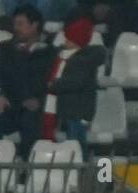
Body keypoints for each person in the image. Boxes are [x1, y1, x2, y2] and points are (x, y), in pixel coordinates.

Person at [0, 4, 55, 157]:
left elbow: (52, 84)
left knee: (31, 121)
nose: (16, 28)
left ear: (34, 25)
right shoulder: (4, 49)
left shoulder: (49, 53)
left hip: (35, 108)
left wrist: (39, 100)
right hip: (10, 105)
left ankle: (26, 167)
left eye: (20, 24)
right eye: (15, 24)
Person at [41, 17, 105, 151]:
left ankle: (80, 162)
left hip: (76, 110)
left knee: (76, 142)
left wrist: (53, 85)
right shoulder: (62, 54)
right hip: (64, 107)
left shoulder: (83, 60)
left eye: (69, 39)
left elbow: (75, 82)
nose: (65, 41)